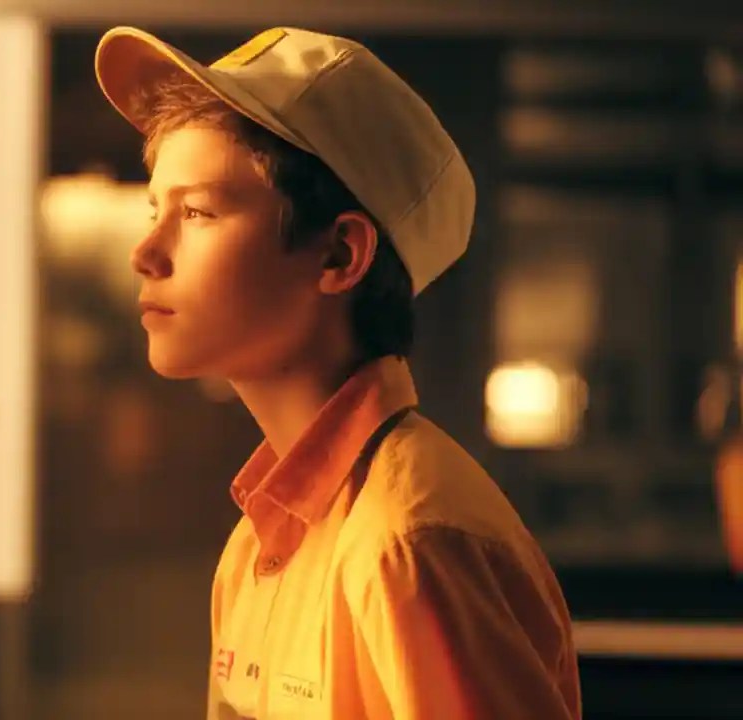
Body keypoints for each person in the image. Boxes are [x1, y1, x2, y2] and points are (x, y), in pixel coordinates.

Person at [93, 27, 581, 719]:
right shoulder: (260, 541)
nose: (146, 251)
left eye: (197, 211)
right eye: (155, 210)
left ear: (339, 255)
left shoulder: (410, 542)